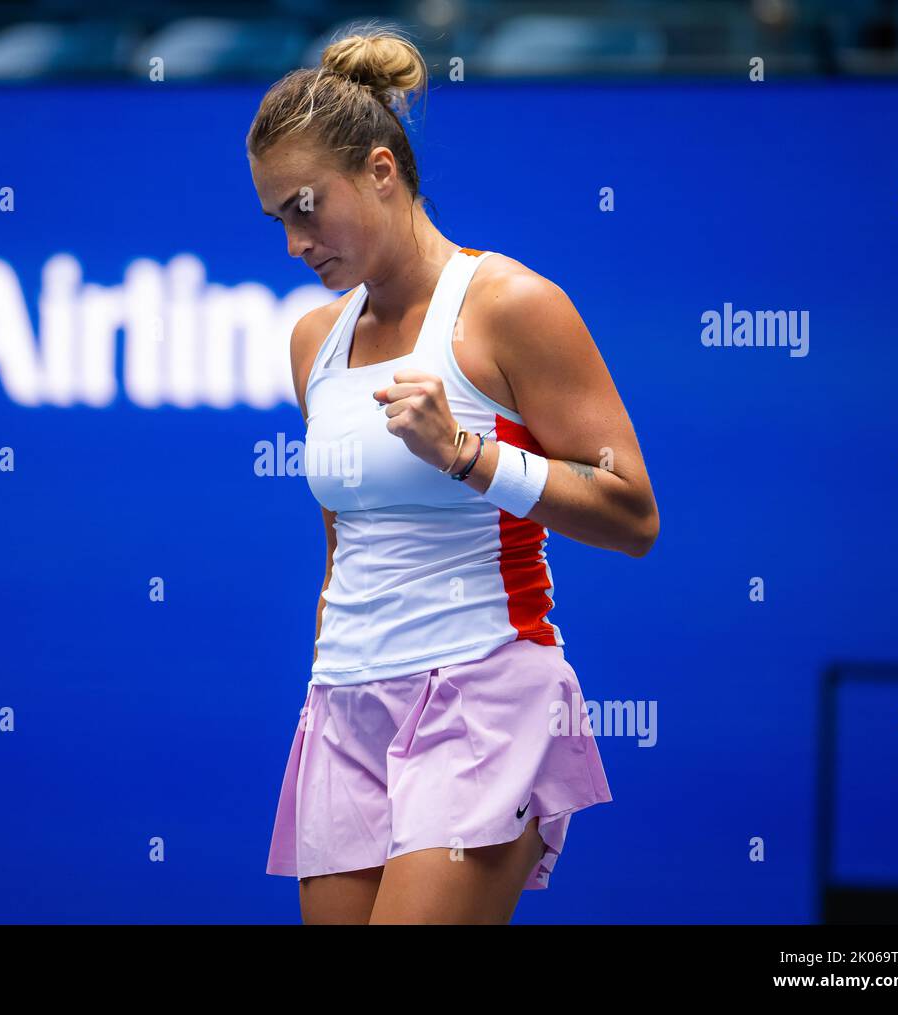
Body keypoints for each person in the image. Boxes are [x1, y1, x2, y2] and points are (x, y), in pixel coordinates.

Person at [248, 26, 659, 925]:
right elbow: (344, 549)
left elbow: (632, 514)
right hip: (344, 704)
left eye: (307, 206)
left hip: (484, 691)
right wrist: (331, 683)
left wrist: (469, 455)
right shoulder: (313, 344)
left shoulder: (511, 306)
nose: (293, 243)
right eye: (278, 216)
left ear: (384, 172)